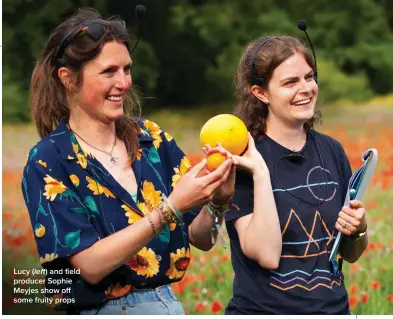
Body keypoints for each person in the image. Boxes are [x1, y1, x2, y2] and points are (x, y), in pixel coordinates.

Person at [21, 8, 236, 315]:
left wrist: (219, 201)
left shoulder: (151, 139)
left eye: (127, 69)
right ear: (68, 79)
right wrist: (170, 209)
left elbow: (201, 238)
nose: (123, 82)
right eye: (109, 72)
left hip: (167, 306)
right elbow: (91, 266)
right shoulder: (48, 160)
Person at [222, 35, 369, 315]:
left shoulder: (332, 151)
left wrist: (358, 229)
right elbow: (265, 255)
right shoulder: (242, 158)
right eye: (290, 82)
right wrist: (261, 173)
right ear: (260, 93)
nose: (306, 89)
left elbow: (350, 253)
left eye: (309, 77)